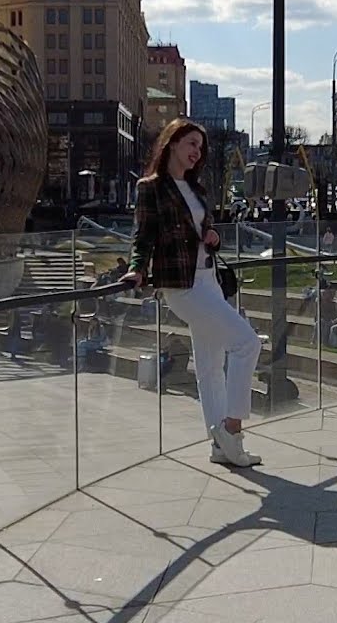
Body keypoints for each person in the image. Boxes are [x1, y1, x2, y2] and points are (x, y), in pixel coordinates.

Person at [122, 118, 262, 467]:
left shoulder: (197, 189)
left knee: (210, 366)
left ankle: (220, 446)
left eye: (200, 147)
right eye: (191, 144)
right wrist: (137, 269)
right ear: (171, 143)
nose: (197, 152)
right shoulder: (150, 187)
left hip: (209, 279)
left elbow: (206, 232)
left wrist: (213, 237)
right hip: (182, 286)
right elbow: (143, 235)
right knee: (247, 342)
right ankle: (232, 428)